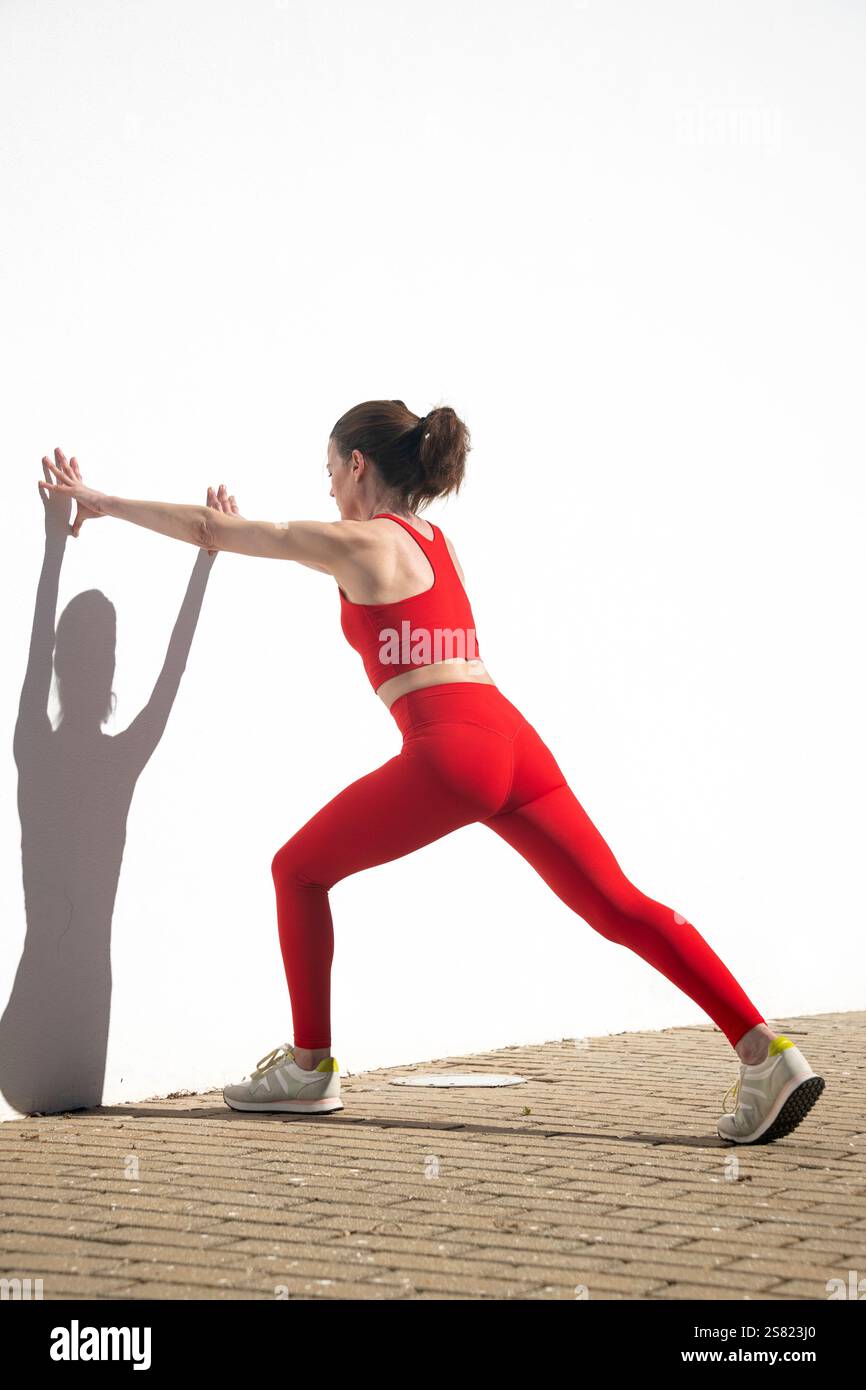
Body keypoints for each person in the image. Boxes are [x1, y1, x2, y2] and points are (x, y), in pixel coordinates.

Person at [38, 405, 826, 1143]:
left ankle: (310, 1067)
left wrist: (97, 498)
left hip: (453, 749)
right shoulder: (432, 540)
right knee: (617, 904)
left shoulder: (363, 542)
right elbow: (231, 533)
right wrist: (224, 533)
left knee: (296, 872)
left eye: (328, 472)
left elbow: (226, 529)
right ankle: (766, 1053)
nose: (327, 489)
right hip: (513, 740)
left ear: (355, 465)